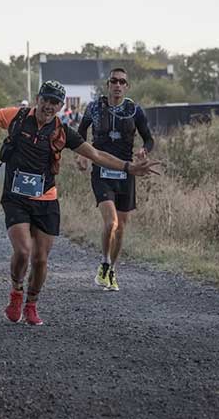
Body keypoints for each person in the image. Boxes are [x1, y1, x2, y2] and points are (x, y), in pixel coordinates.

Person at [0, 70, 159, 325]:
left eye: (55, 102)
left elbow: (96, 155)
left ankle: (32, 302)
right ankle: (16, 292)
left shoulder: (62, 131)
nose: (49, 106)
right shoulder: (16, 116)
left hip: (46, 200)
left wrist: (129, 167)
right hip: (16, 198)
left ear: (61, 106)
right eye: (46, 100)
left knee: (40, 260)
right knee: (23, 251)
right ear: (38, 99)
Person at [77, 68, 155, 292]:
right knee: (111, 222)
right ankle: (104, 263)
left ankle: (112, 270)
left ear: (127, 86)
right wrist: (82, 155)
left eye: (122, 82)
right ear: (108, 84)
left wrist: (143, 150)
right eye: (114, 81)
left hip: (126, 171)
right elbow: (80, 134)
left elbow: (149, 138)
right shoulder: (93, 108)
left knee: (121, 228)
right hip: (101, 171)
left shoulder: (134, 110)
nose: (118, 85)